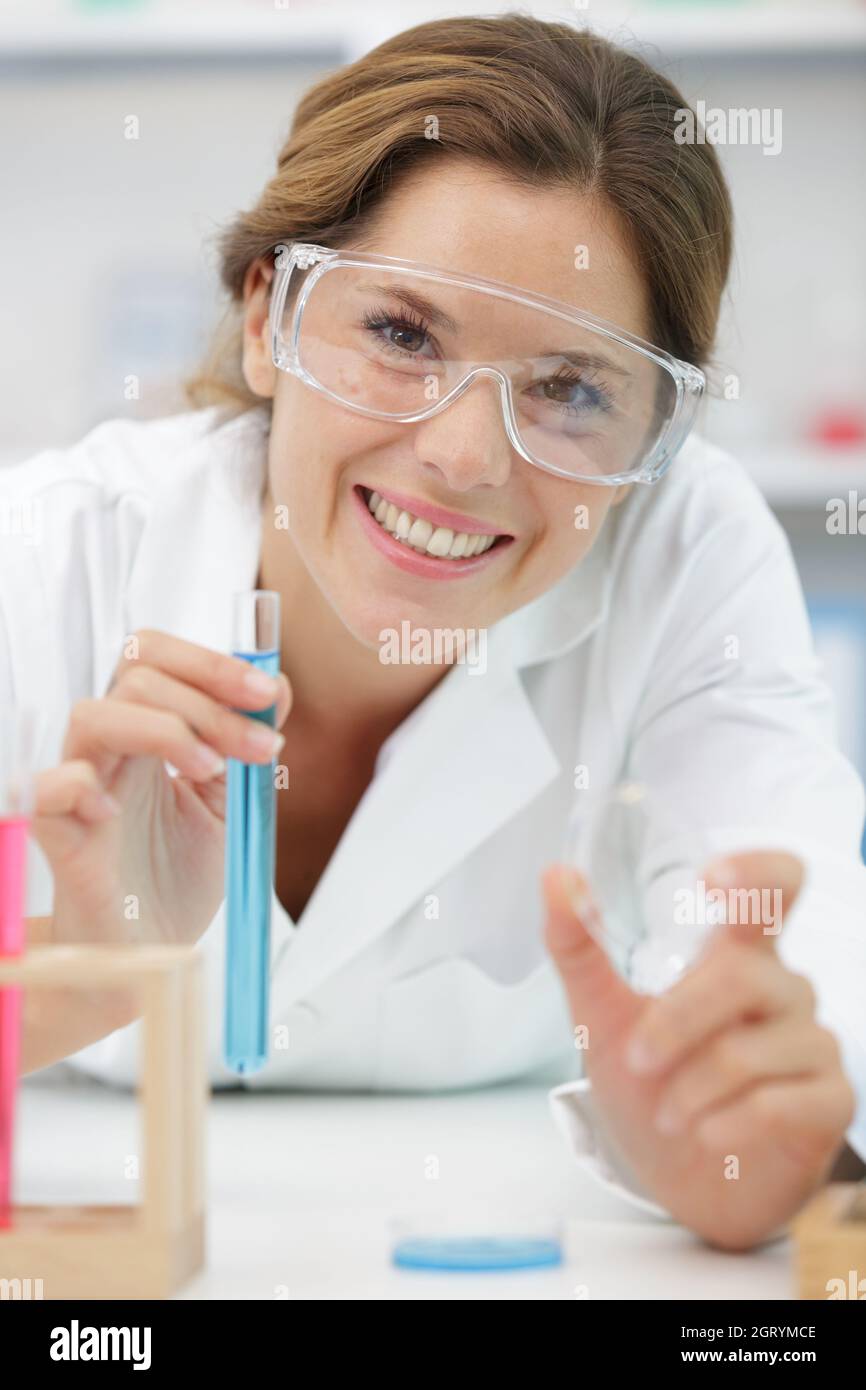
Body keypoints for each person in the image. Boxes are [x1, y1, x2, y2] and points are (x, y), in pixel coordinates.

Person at [3, 14, 864, 1252]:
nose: (462, 458)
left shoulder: (683, 554)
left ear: (651, 442)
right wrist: (69, 974)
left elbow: (794, 943)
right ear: (267, 320)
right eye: (402, 336)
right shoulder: (42, 560)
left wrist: (736, 1125)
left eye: (569, 389)